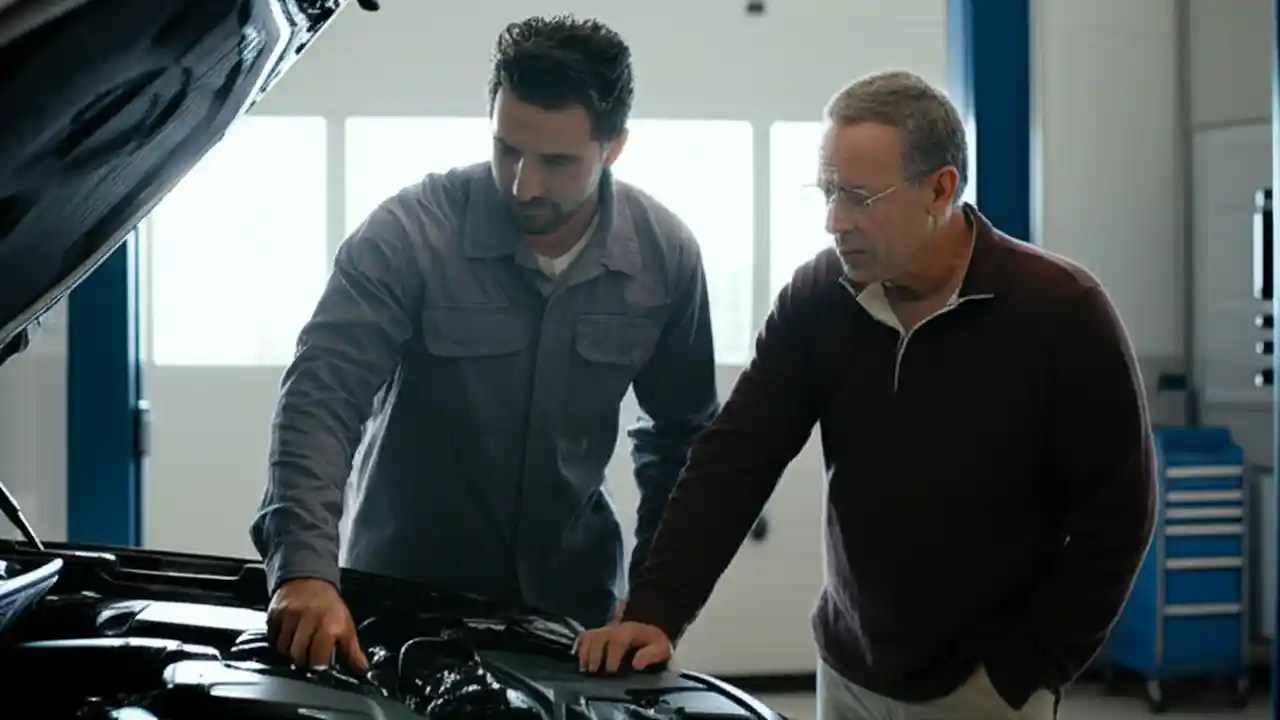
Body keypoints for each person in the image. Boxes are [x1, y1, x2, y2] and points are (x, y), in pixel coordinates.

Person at [576, 70, 1156, 720]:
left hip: (984, 689)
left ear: (941, 189)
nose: (833, 220)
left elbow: (1118, 515)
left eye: (858, 196)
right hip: (849, 671)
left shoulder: (1060, 312)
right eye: (826, 191)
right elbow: (735, 460)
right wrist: (658, 610)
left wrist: (1028, 667)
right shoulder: (820, 298)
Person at [250, 14, 719, 673]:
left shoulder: (664, 257)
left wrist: (654, 602)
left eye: (557, 162)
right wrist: (303, 570)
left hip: (572, 614)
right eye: (507, 149)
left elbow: (685, 440)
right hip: (399, 605)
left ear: (613, 148)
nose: (524, 183)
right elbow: (322, 398)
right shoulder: (407, 234)